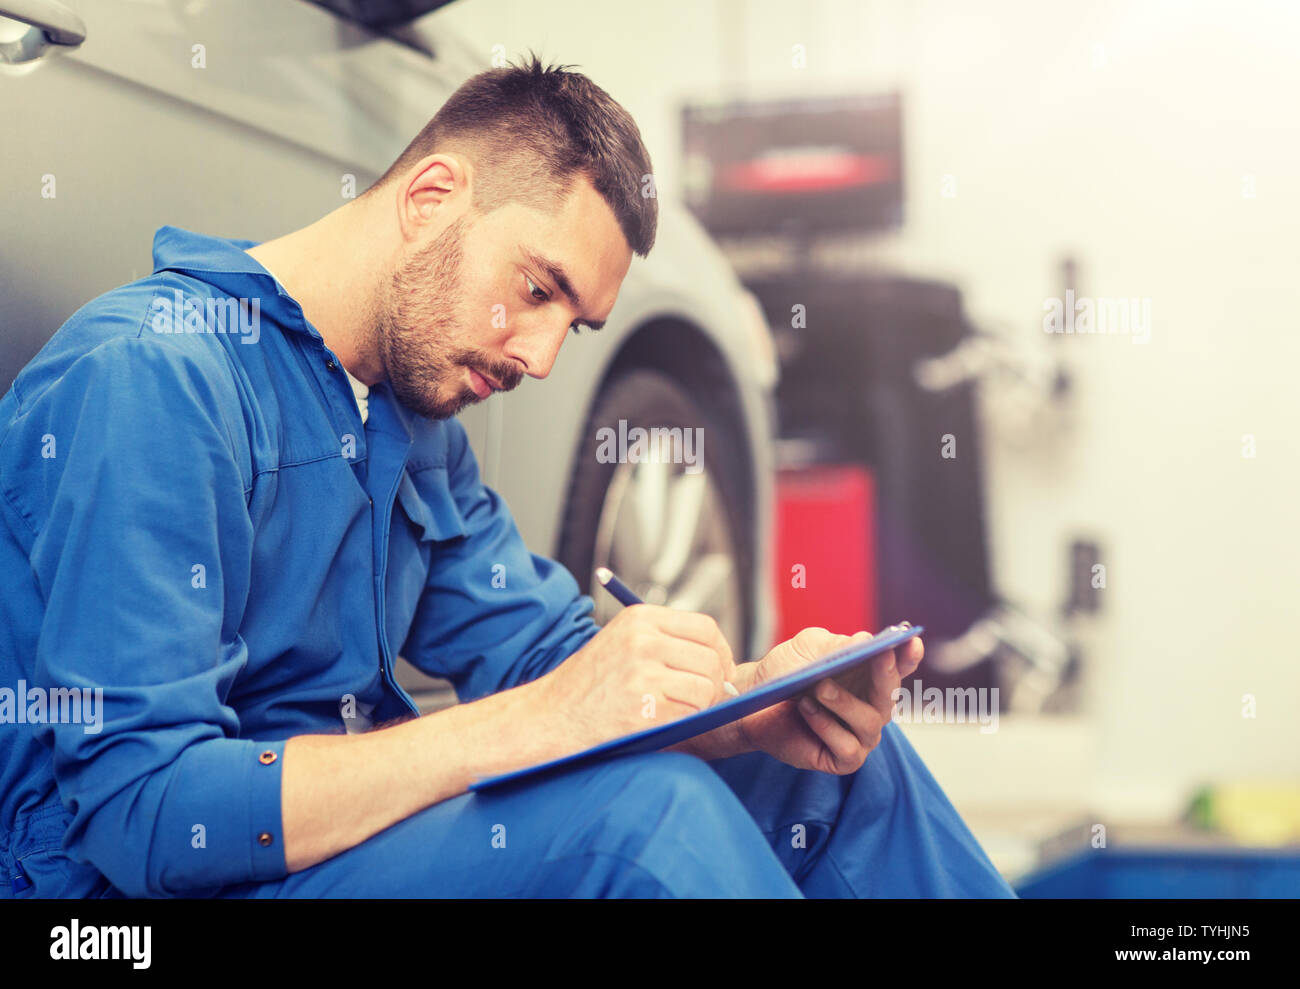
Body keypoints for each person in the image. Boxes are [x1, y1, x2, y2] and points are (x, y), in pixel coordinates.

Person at [0, 54, 1013, 898]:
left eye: (571, 323)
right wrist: (532, 721)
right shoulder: (153, 376)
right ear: (432, 197)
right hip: (143, 895)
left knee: (837, 772)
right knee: (646, 821)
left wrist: (747, 704)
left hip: (340, 854)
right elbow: (145, 816)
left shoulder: (405, 413)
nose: (538, 357)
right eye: (536, 289)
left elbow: (542, 653)